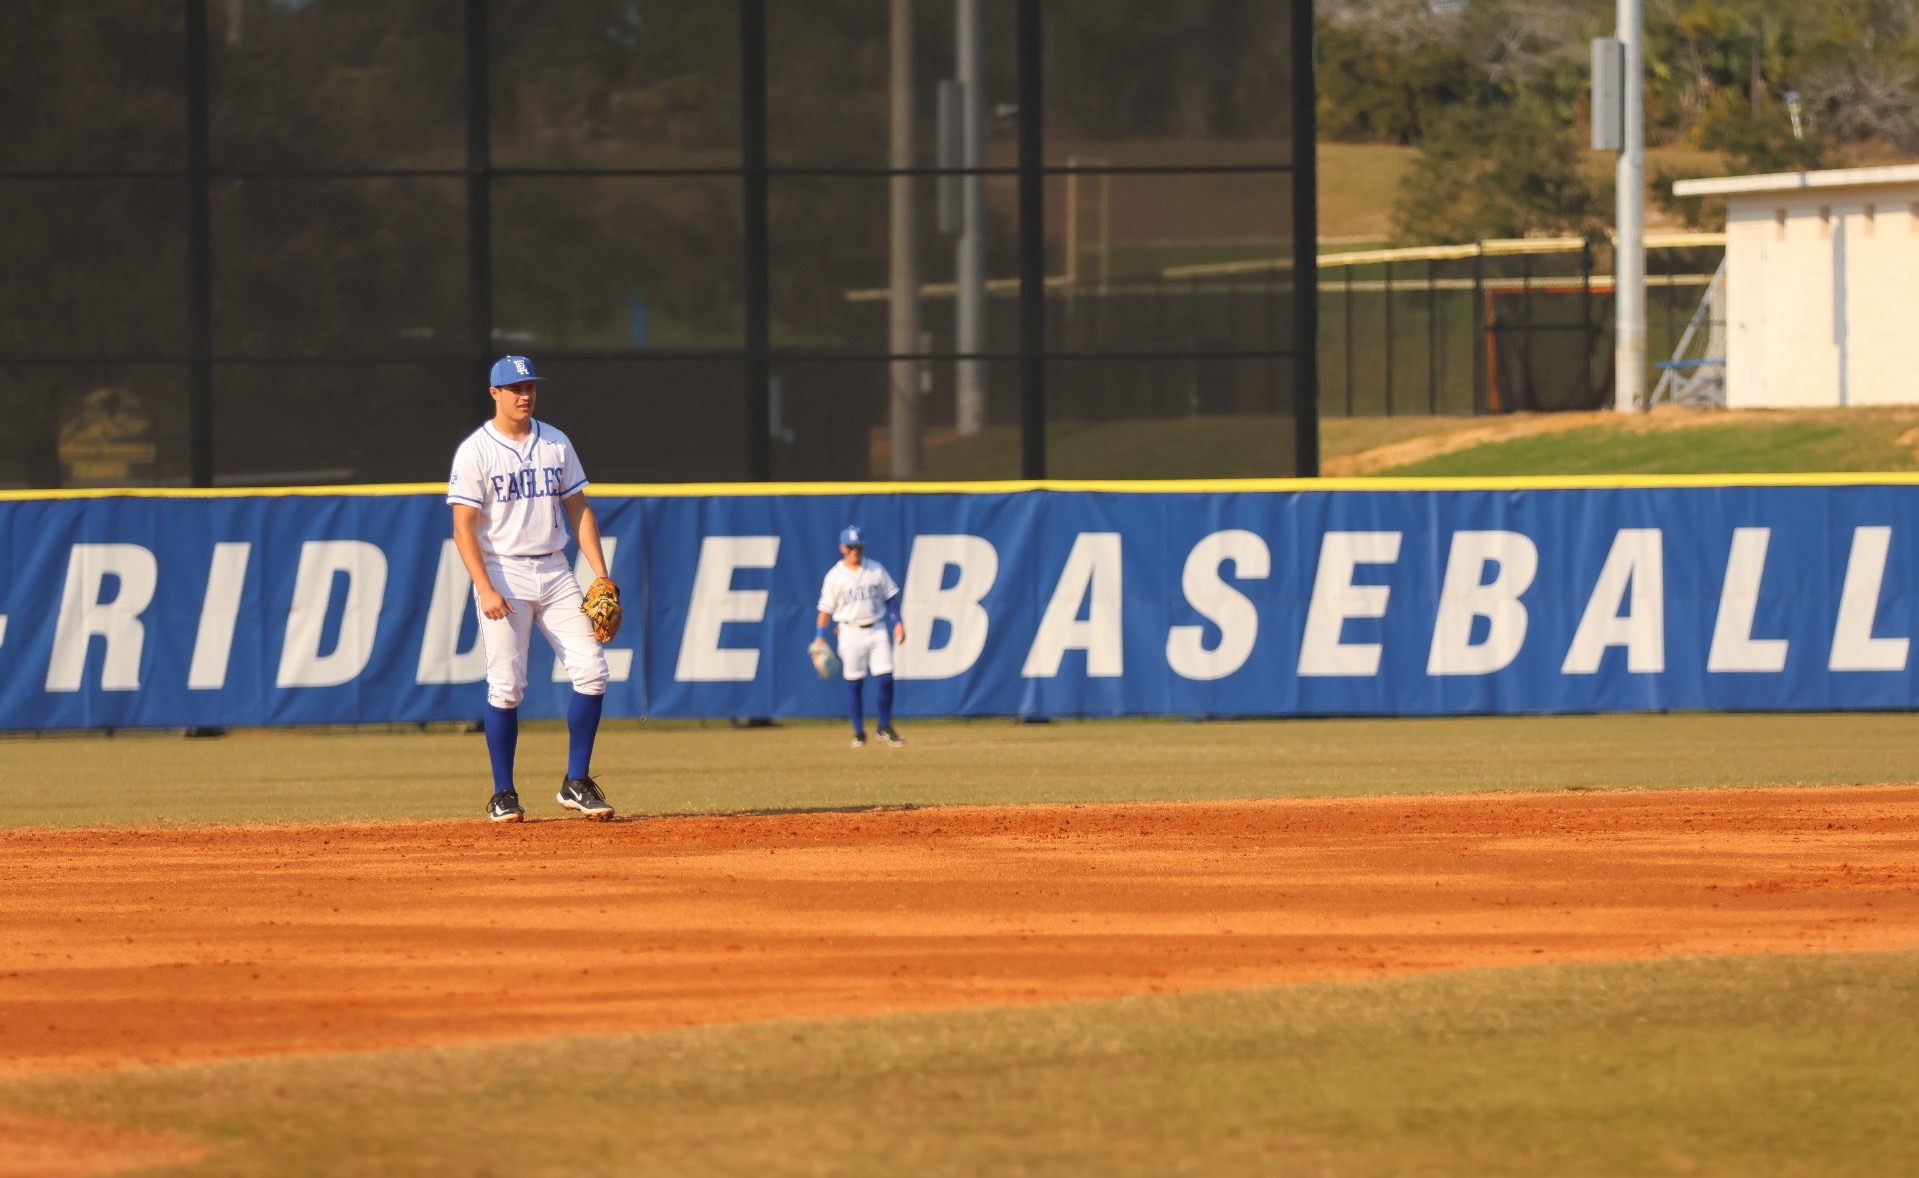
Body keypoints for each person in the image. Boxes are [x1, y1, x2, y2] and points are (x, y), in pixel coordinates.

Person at [447, 355, 616, 822]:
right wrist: (485, 587)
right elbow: (462, 526)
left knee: (593, 672)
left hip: (555, 569)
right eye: (515, 388)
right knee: (506, 687)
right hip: (503, 570)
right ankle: (503, 793)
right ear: (495, 393)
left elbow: (578, 508)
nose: (525, 395)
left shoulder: (555, 441)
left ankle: (576, 782)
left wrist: (600, 574)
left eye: (530, 387)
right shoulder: (476, 451)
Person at [816, 525, 907, 748]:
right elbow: (825, 609)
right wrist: (819, 636)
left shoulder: (875, 569)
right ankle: (858, 732)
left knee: (886, 678)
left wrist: (898, 622)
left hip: (877, 628)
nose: (855, 551)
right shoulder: (834, 576)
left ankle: (884, 727)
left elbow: (890, 598)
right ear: (842, 548)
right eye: (851, 547)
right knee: (854, 682)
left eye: (858, 547)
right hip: (849, 630)